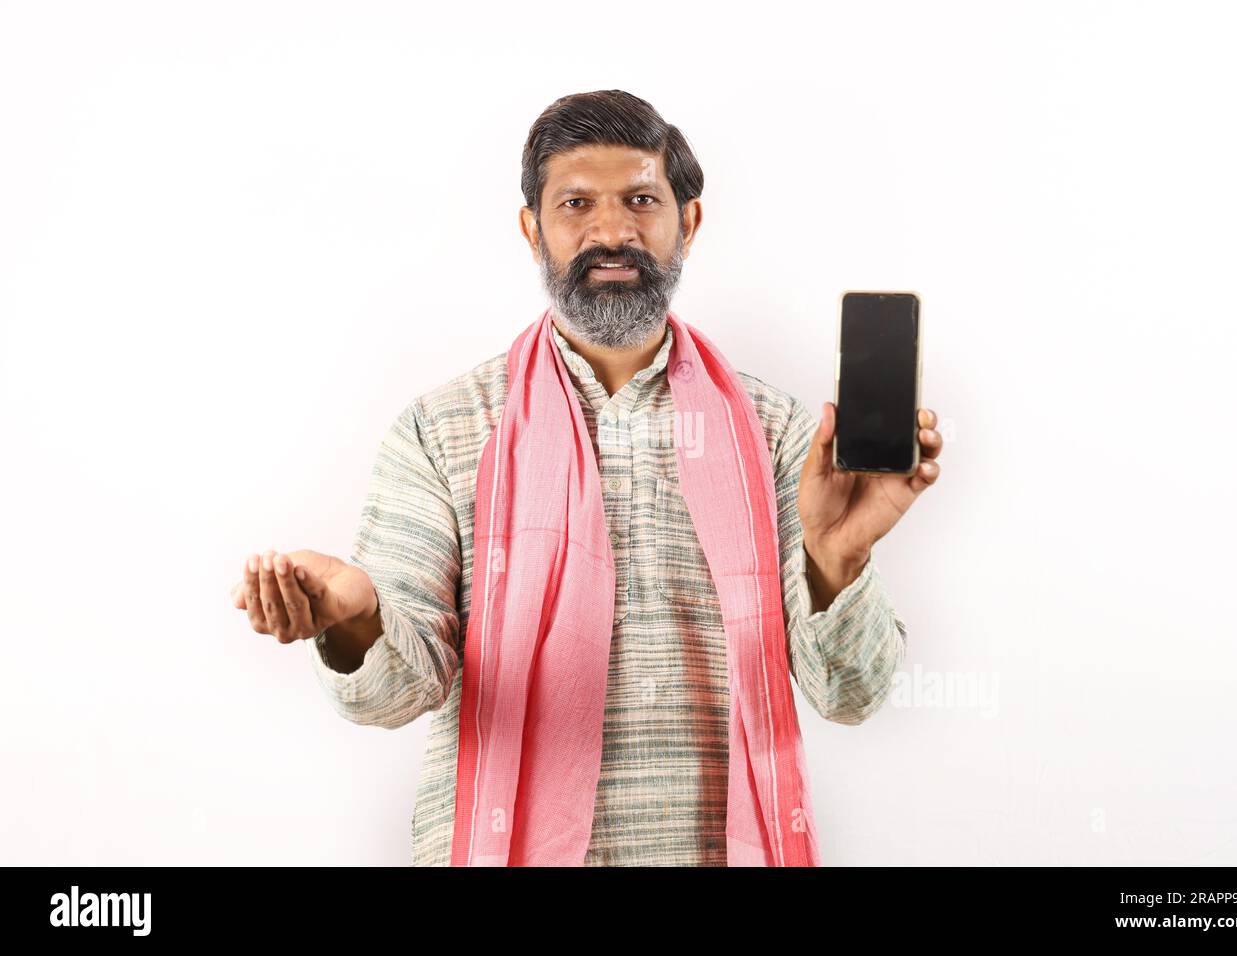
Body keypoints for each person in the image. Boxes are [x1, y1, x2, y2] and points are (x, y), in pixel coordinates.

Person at [230, 90, 943, 866]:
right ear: (533, 229)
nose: (611, 232)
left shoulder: (779, 435)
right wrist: (357, 614)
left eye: (641, 199)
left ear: (689, 223)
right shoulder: (443, 430)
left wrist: (836, 562)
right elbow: (394, 692)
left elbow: (854, 693)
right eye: (577, 204)